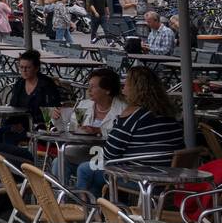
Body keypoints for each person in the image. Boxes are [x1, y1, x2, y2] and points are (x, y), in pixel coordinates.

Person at [75, 66, 182, 196]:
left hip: (139, 178)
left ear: (136, 90)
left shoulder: (132, 115)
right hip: (169, 178)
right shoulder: (169, 114)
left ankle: (91, 211)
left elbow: (110, 155)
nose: (123, 89)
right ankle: (107, 209)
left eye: (126, 84)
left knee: (85, 169)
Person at [54, 67, 125, 184]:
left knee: (86, 170)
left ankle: (84, 200)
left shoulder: (122, 109)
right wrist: (57, 117)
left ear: (107, 90)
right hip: (82, 152)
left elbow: (122, 135)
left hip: (106, 156)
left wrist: (100, 130)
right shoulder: (84, 105)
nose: (89, 90)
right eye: (89, 85)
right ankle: (59, 198)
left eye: (93, 87)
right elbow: (71, 128)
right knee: (59, 161)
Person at [0, 50, 63, 147]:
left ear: (36, 68)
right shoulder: (19, 84)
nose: (24, 70)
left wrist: (25, 125)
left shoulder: (46, 85)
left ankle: (14, 160)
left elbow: (51, 111)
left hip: (39, 127)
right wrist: (14, 124)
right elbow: (14, 107)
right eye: (21, 67)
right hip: (19, 123)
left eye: (28, 67)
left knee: (8, 137)